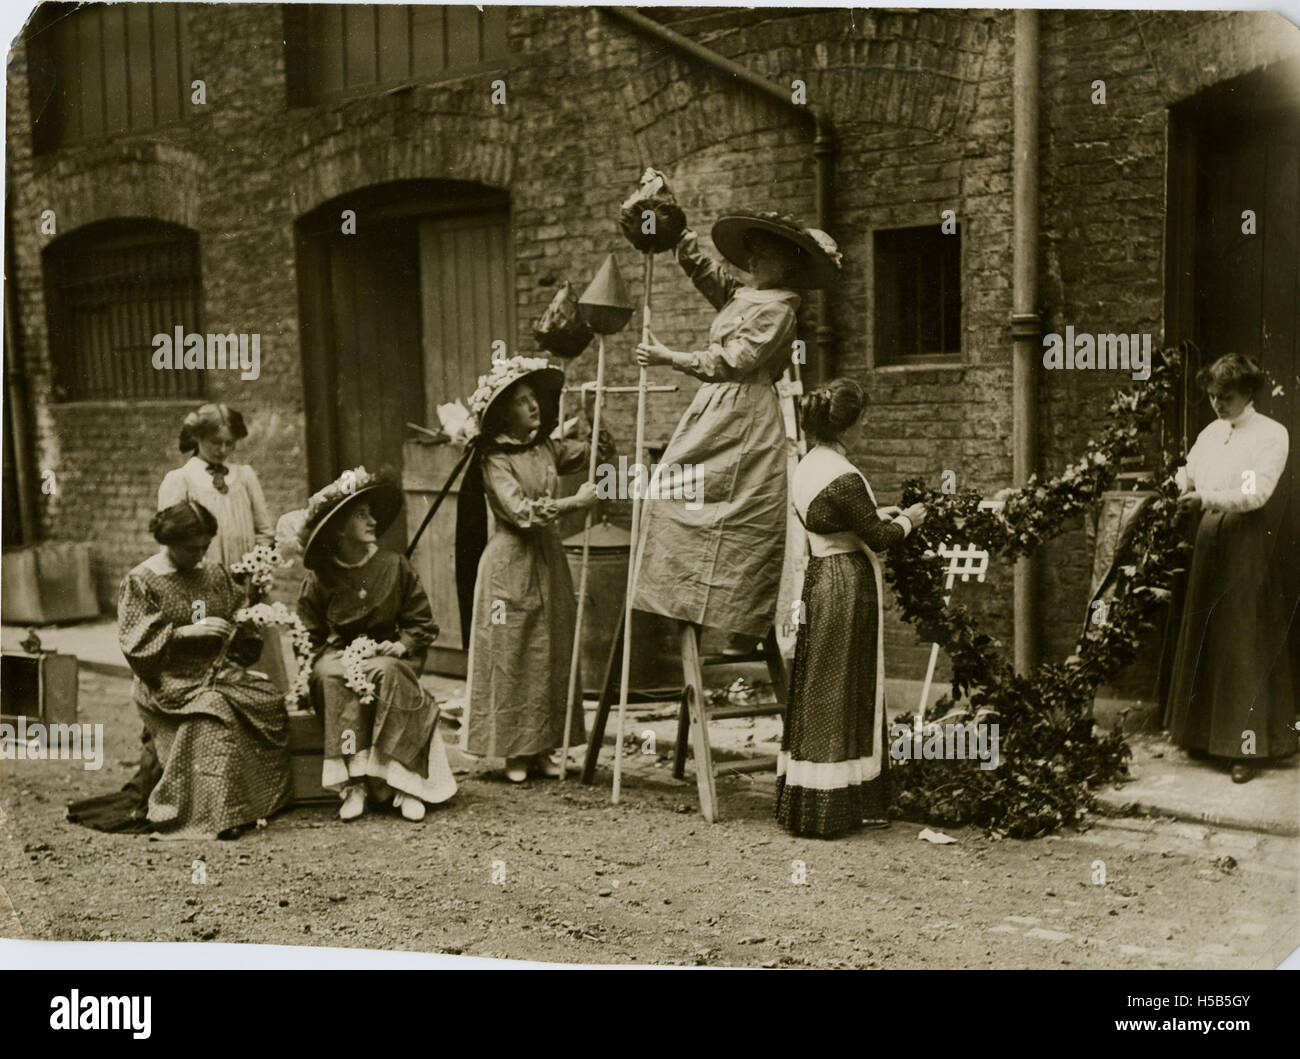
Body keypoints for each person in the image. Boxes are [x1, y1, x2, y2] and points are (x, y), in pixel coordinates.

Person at [633, 209, 841, 643]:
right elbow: (707, 273)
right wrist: (675, 231)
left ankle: (737, 622)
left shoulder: (781, 312)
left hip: (745, 414)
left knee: (739, 513)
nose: (753, 263)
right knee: (668, 492)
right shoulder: (744, 297)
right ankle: (677, 597)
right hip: (713, 409)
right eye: (752, 254)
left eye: (763, 256)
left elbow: (734, 361)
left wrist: (670, 357)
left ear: (786, 264)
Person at [776, 380, 926, 838]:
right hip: (846, 583)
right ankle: (836, 806)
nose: (865, 426)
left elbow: (835, 519)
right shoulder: (843, 473)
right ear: (850, 425)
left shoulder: (807, 465)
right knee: (844, 683)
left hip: (821, 579)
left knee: (820, 681)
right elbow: (879, 539)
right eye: (862, 419)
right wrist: (909, 520)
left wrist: (873, 515)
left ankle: (810, 799)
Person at [456, 355, 612, 782]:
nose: (533, 407)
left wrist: (599, 414)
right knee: (513, 652)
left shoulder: (546, 447)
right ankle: (513, 752)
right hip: (510, 565)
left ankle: (544, 746)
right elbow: (521, 511)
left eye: (533, 399)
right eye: (522, 402)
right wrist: (574, 503)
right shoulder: (495, 459)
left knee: (550, 649)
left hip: (548, 561)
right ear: (506, 411)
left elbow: (591, 452)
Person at [104, 500, 291, 839]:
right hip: (168, 681)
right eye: (192, 549)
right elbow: (136, 646)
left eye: (205, 547)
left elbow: (239, 612)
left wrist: (240, 641)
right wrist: (184, 633)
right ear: (169, 542)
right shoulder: (143, 581)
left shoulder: (213, 573)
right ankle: (218, 815)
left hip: (215, 673)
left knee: (268, 700)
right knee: (214, 714)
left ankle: (260, 803)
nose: (200, 556)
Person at [292, 468, 456, 821]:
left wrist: (402, 644)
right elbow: (307, 637)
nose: (373, 521)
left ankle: (400, 782)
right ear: (339, 529)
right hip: (338, 656)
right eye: (361, 515)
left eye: (371, 513)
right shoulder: (321, 578)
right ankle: (355, 783)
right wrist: (329, 653)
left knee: (386, 670)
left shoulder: (395, 566)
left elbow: (420, 622)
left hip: (389, 654)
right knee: (330, 676)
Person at [1166, 353, 1296, 782]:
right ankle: (1206, 739)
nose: (1219, 405)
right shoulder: (1211, 432)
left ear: (1249, 393)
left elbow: (1254, 490)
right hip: (1210, 541)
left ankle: (1250, 750)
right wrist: (1178, 483)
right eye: (1212, 397)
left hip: (1245, 542)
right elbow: (1192, 469)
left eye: (1227, 397)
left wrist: (1207, 497)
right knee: (1210, 636)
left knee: (1243, 640)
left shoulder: (1269, 435)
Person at [159, 403, 273, 568]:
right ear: (198, 437)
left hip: (245, 580)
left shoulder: (245, 477)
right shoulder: (180, 480)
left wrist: (257, 573)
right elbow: (171, 542)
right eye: (216, 442)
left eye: (230, 443)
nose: (223, 450)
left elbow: (265, 533)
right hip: (199, 577)